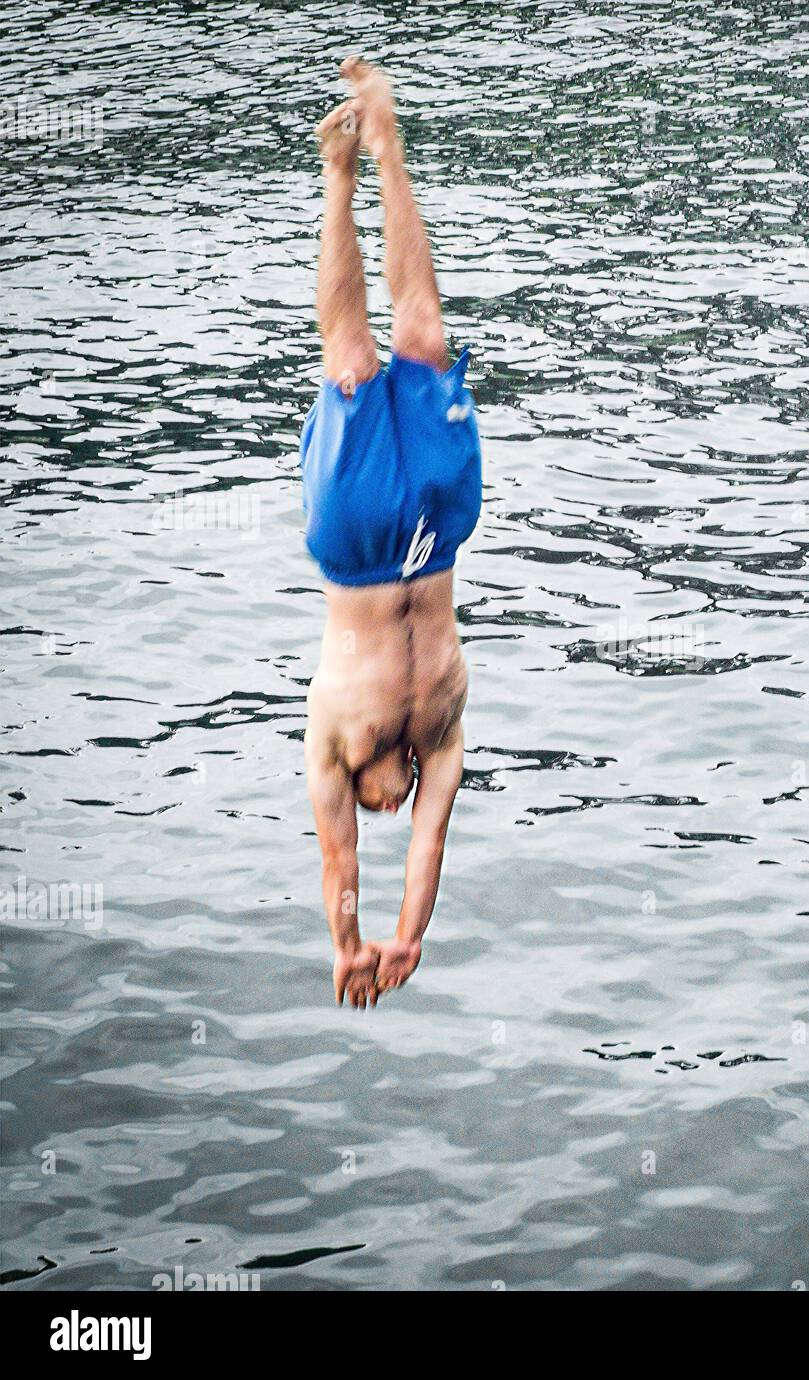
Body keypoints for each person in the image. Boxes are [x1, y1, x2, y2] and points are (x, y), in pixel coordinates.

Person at [300, 58, 480, 1009]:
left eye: (390, 803)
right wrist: (411, 939)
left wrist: (353, 943)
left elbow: (340, 860)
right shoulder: (441, 737)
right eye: (398, 800)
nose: (399, 802)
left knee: (353, 360)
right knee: (426, 336)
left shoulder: (329, 743)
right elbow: (433, 842)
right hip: (437, 535)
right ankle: (388, 146)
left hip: (357, 542)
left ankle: (342, 178)